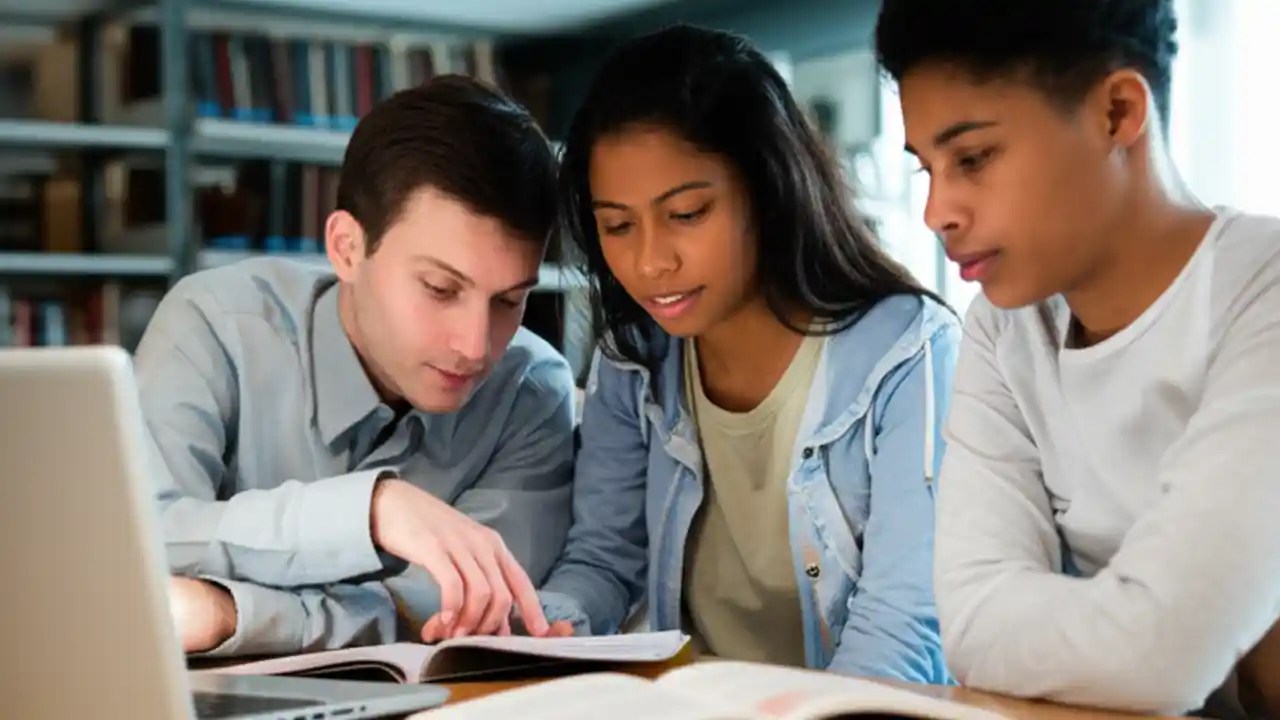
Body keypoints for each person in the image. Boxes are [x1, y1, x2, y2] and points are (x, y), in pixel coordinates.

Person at [874, 0, 1280, 716]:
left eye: (972, 158)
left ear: (1117, 113)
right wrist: (1147, 628)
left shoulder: (1262, 289)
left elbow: (1163, 656)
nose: (938, 211)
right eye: (926, 168)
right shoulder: (1003, 331)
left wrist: (1153, 638)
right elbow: (971, 628)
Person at [536, 24, 960, 683]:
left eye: (687, 214)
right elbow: (602, 561)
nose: (650, 262)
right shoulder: (632, 360)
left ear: (769, 191)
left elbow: (902, 628)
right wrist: (547, 623)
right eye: (617, 225)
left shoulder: (907, 356)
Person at [138, 75, 577, 657]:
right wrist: (371, 511)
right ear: (347, 247)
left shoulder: (532, 393)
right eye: (441, 288)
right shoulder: (214, 324)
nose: (475, 346)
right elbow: (139, 544)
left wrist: (228, 613)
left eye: (508, 300)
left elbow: (446, 622)